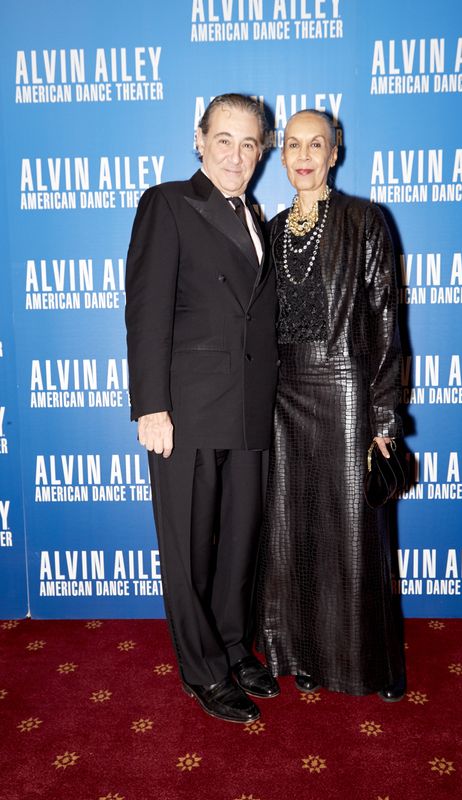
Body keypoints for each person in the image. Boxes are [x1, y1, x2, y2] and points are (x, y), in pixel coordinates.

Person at [125, 94, 280, 723]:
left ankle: (232, 644)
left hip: (248, 408)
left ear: (261, 150)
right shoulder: (167, 203)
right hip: (186, 409)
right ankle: (203, 670)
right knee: (189, 547)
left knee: (241, 540)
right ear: (199, 139)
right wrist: (151, 407)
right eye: (225, 140)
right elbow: (146, 312)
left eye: (249, 144)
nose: (236, 155)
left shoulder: (257, 214)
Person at [256, 110, 405, 700]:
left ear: (334, 152)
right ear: (280, 154)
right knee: (293, 534)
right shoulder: (268, 230)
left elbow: (387, 326)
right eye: (293, 144)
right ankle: (306, 656)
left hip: (345, 391)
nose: (304, 154)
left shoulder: (365, 220)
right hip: (282, 395)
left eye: (316, 143)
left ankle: (374, 666)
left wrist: (384, 416)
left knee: (353, 536)